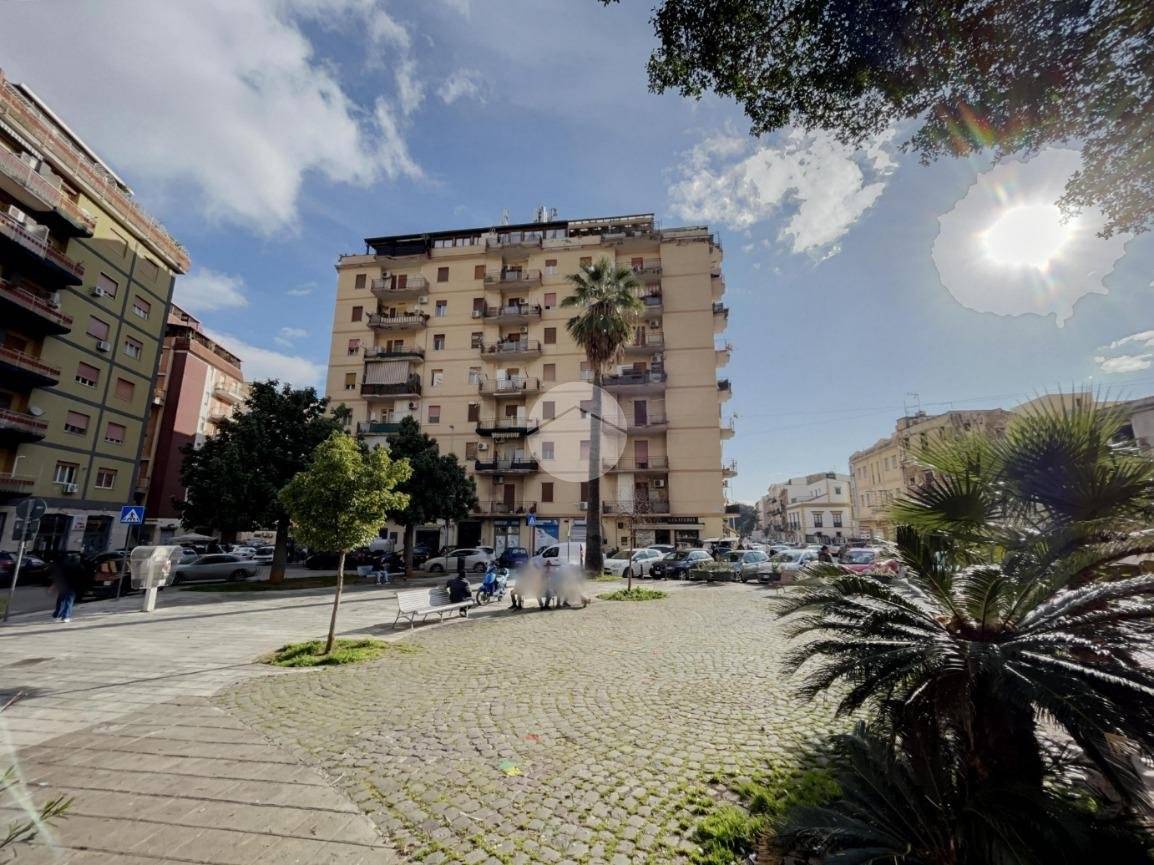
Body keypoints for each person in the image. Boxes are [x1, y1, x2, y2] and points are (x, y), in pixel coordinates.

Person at [51, 554, 85, 623]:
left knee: (61, 600)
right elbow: (82, 578)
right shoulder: (80, 566)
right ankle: (66, 616)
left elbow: (60, 576)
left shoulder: (65, 566)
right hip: (72, 586)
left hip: (63, 585)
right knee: (69, 601)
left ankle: (57, 615)